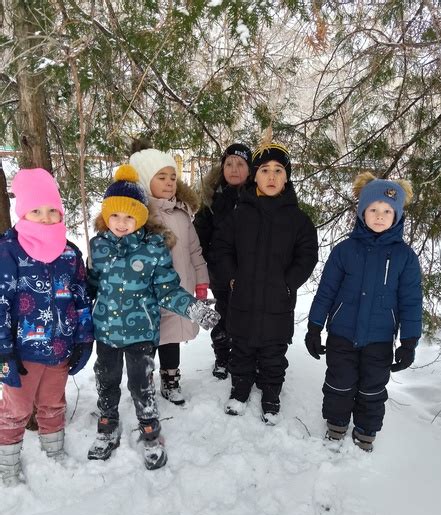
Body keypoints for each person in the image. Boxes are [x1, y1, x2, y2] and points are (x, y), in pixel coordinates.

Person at [87, 164, 219, 469]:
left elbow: (168, 290)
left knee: (140, 384)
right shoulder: (99, 247)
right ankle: (108, 428)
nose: (121, 223)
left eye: (129, 215)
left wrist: (193, 308)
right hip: (106, 332)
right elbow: (91, 287)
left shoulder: (153, 249)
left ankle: (150, 432)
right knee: (106, 380)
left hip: (141, 334)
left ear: (142, 216)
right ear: (106, 216)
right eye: (115, 215)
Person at [305, 172, 422, 451]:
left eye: (386, 211)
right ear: (362, 212)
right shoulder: (344, 251)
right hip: (342, 333)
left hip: (380, 338)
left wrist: (409, 341)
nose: (379, 216)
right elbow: (327, 291)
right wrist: (314, 326)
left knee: (373, 387)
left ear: (396, 216)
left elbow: (411, 301)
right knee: (339, 381)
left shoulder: (405, 257)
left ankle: (367, 430)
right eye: (373, 210)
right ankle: (336, 424)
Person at [0, 168, 94, 485]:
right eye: (36, 211)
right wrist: (3, 353)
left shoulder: (69, 252)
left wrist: (84, 339)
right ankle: (7, 466)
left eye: (52, 210)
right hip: (20, 354)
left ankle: (54, 453)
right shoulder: (8, 250)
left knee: (54, 403)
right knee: (16, 410)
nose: (45, 217)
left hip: (59, 348)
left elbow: (81, 296)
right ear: (22, 212)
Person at [215, 142, 318, 424]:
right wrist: (232, 276)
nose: (271, 176)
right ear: (255, 176)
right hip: (244, 300)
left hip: (278, 302)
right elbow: (221, 247)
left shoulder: (298, 220)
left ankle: (271, 393)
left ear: (286, 177)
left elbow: (307, 254)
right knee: (242, 349)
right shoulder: (239, 214)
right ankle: (240, 389)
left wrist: (289, 282)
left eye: (278, 170)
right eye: (264, 170)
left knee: (274, 353)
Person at [129, 142, 209, 405]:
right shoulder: (139, 215)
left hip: (179, 289)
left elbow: (194, 250)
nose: (169, 183)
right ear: (144, 180)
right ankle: (144, 381)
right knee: (150, 339)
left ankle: (171, 379)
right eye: (161, 177)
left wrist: (201, 281)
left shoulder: (182, 214)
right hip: (149, 294)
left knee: (172, 337)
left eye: (173, 177)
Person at [193, 143, 252, 379]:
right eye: (229, 164)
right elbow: (200, 235)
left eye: (240, 164)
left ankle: (243, 356)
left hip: (249, 272)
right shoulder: (212, 198)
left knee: (246, 316)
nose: (234, 169)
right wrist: (209, 262)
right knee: (222, 314)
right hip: (220, 271)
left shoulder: (257, 197)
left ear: (249, 169)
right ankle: (222, 356)